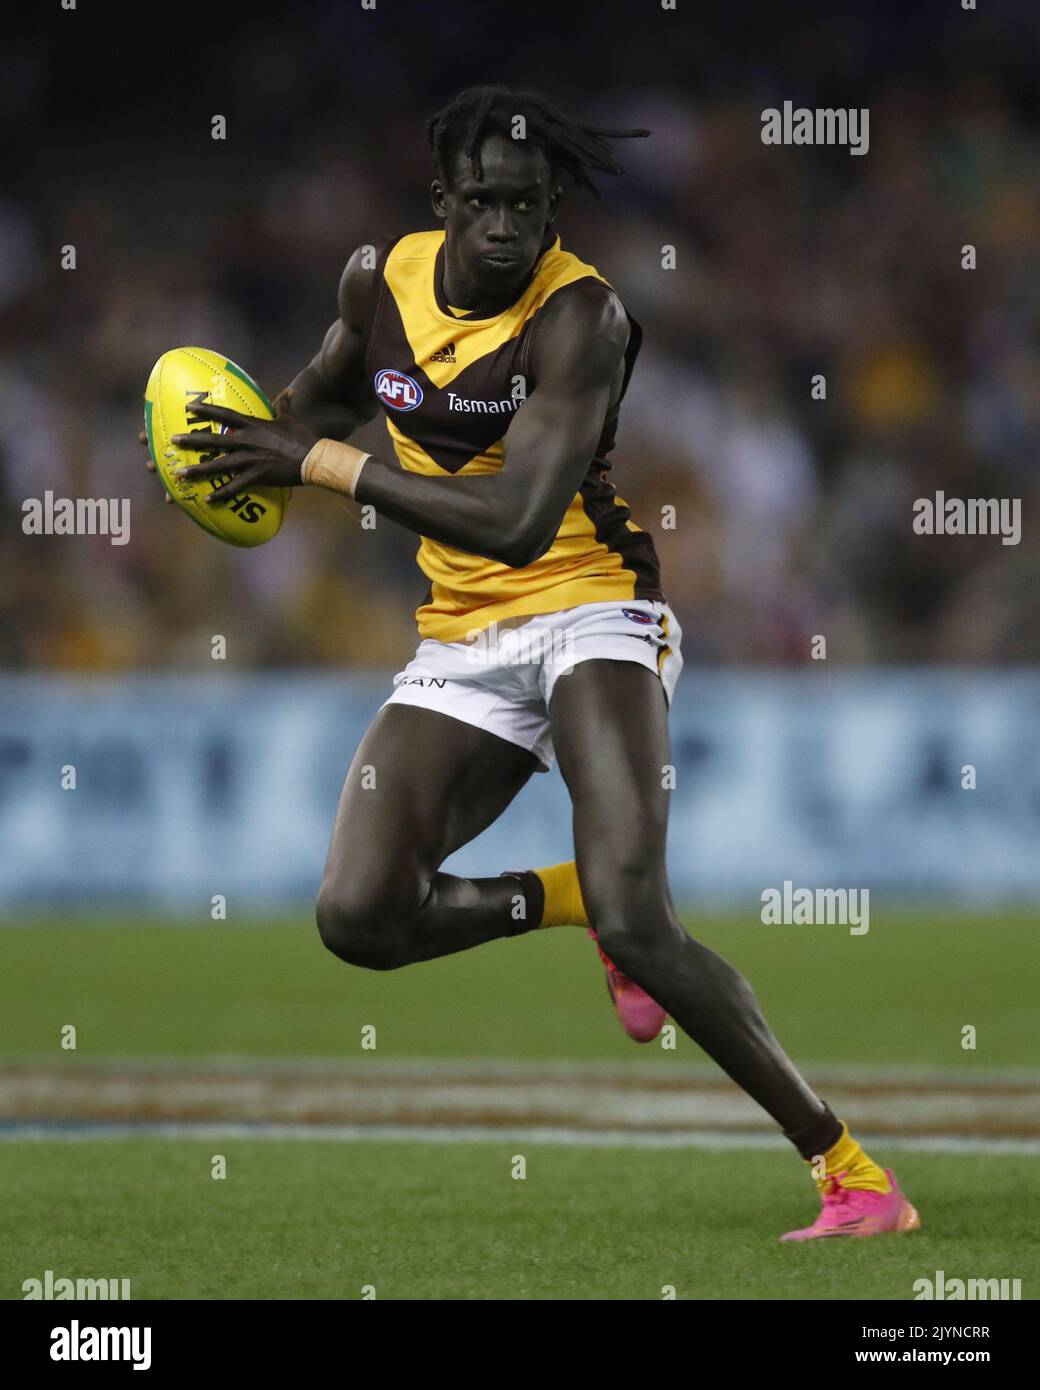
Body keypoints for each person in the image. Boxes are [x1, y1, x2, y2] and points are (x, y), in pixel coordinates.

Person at [153, 85, 919, 1241]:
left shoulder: (582, 319)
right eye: (483, 204)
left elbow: (514, 520)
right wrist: (226, 449)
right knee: (357, 914)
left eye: (527, 205)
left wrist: (311, 464)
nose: (506, 228)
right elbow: (313, 408)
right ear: (441, 203)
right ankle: (557, 902)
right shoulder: (381, 282)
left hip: (591, 608)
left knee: (642, 915)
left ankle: (853, 1175)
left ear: (553, 205)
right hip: (459, 638)